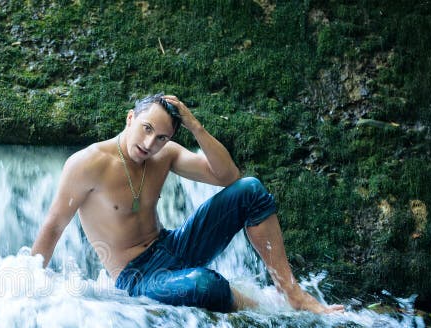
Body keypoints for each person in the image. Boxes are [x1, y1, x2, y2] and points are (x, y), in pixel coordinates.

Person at [30, 93, 344, 314]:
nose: (150, 144)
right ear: (130, 118)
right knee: (206, 285)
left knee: (250, 189)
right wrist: (31, 285)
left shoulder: (164, 154)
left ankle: (292, 293)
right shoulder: (87, 163)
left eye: (161, 137)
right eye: (147, 128)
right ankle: (259, 307)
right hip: (137, 276)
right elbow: (54, 225)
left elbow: (227, 176)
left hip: (175, 246)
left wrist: (196, 126)